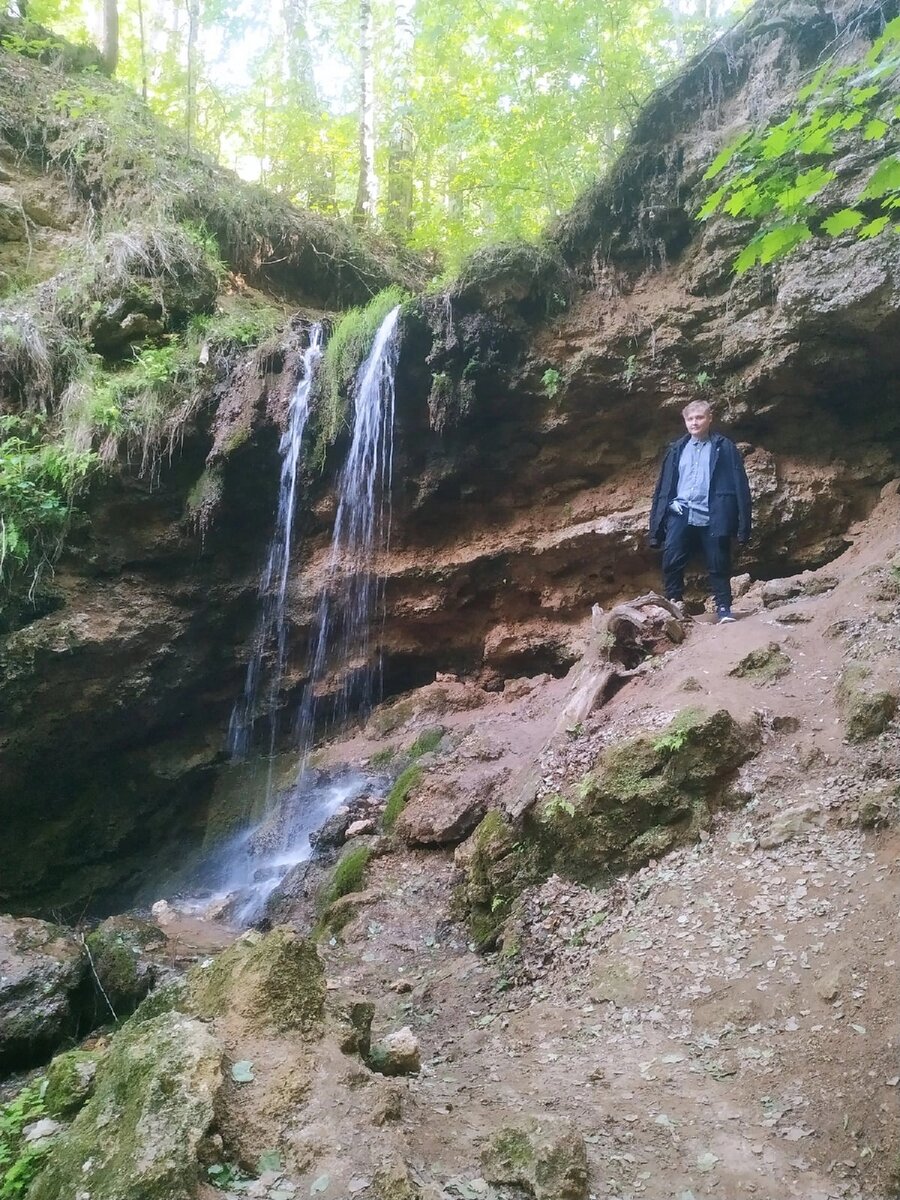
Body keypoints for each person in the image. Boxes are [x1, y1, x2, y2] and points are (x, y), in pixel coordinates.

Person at [649, 399, 752, 624]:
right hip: (681, 511)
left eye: (699, 417)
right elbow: (664, 485)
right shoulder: (676, 449)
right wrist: (665, 508)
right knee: (672, 559)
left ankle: (724, 608)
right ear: (685, 421)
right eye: (690, 419)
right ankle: (674, 603)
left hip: (712, 511)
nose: (694, 423)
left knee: (718, 560)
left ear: (709, 419)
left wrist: (744, 523)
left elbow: (739, 483)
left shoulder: (724, 447)